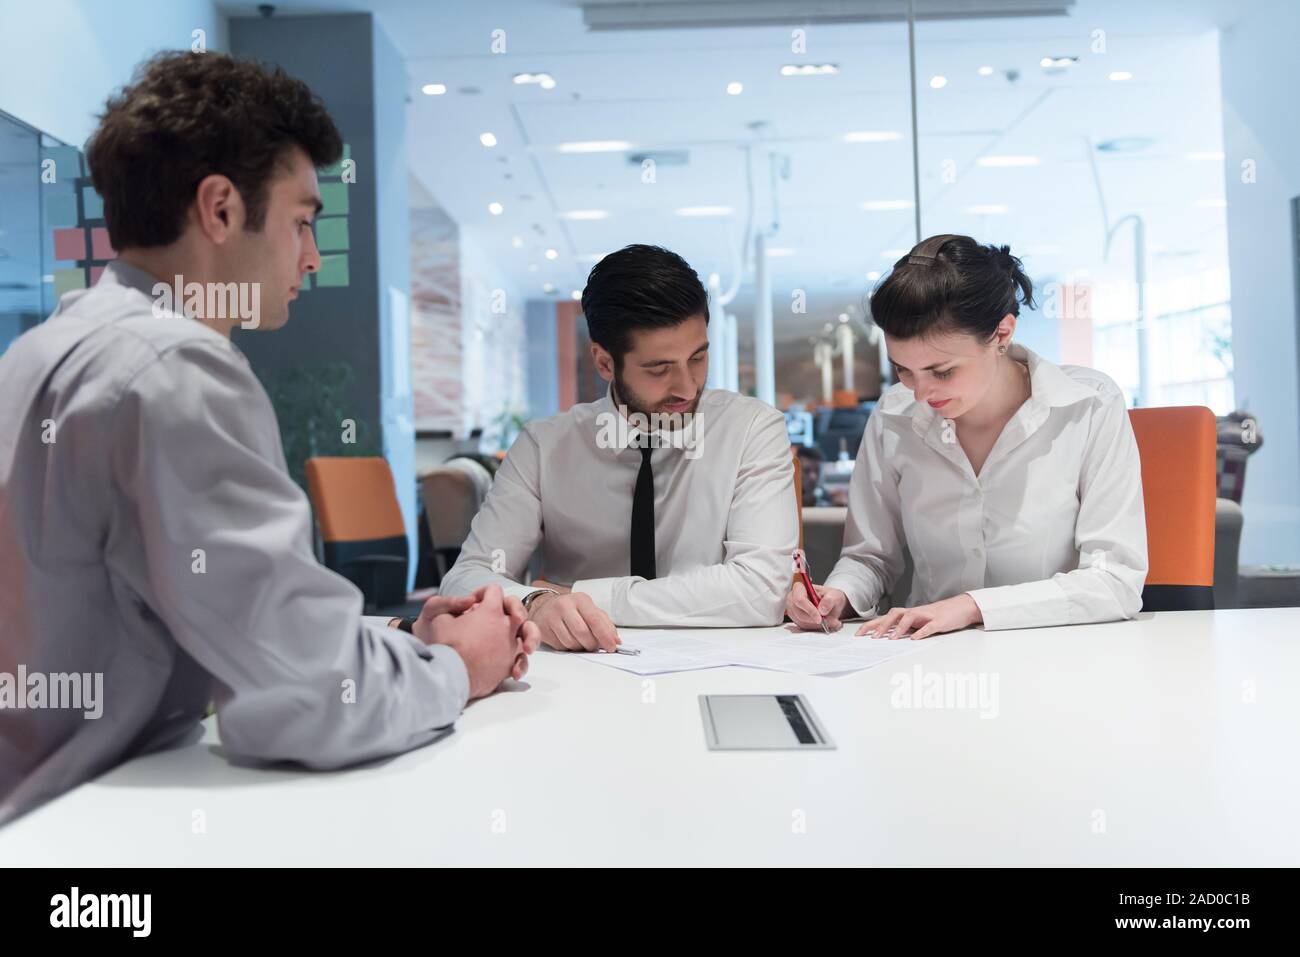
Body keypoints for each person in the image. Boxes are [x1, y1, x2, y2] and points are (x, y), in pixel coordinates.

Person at [0, 52, 537, 825]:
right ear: (219, 209)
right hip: (91, 832)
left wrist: (403, 636)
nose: (312, 257)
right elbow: (306, 700)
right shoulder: (177, 370)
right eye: (301, 221)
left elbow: (227, 621)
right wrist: (460, 663)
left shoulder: (50, 347)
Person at [786, 234, 1147, 640]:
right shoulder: (893, 415)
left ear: (1002, 334)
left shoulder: (1089, 406)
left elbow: (1113, 581)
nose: (920, 394)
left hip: (1058, 651)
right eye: (903, 371)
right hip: (929, 659)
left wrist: (971, 607)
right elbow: (871, 557)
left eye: (942, 372)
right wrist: (839, 594)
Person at [440, 244, 799, 651]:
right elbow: (468, 576)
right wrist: (536, 601)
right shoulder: (543, 447)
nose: (687, 386)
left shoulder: (752, 428)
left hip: (718, 660)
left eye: (697, 358)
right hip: (577, 668)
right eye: (659, 368)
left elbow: (760, 591)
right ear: (605, 363)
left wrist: (578, 594)